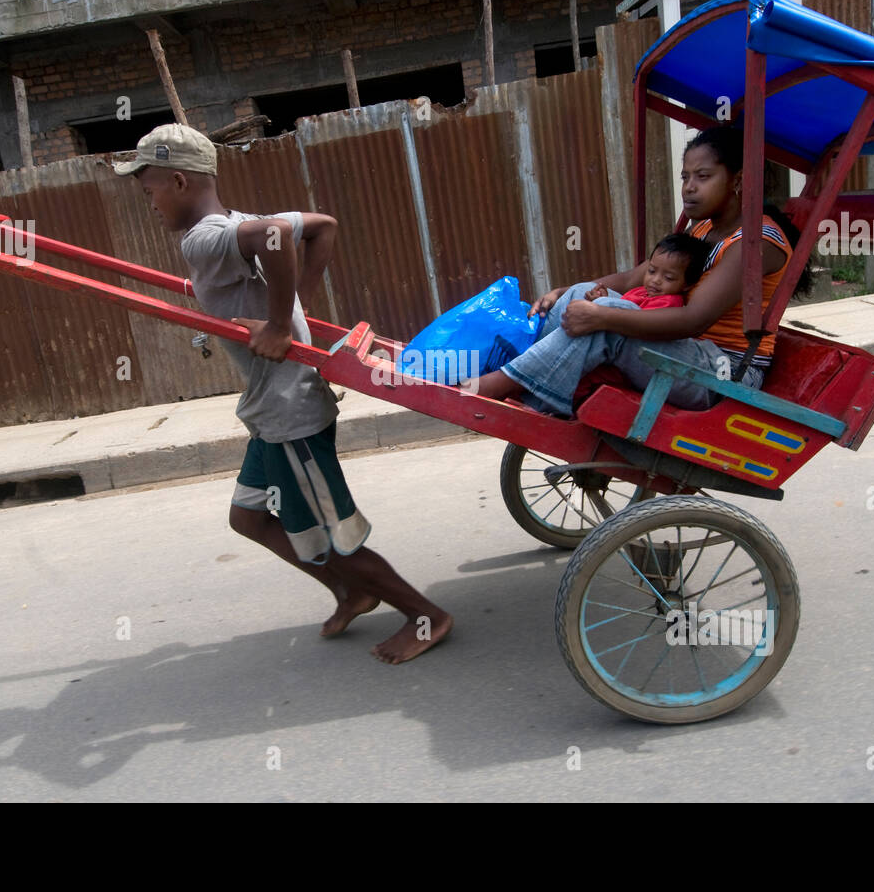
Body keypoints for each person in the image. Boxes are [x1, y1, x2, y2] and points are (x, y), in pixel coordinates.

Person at [116, 123, 451, 664]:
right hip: (269, 411)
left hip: (288, 412)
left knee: (334, 535)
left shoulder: (203, 237)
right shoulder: (238, 219)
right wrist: (291, 305)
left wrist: (279, 321)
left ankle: (426, 616)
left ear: (178, 181)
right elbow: (324, 226)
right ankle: (352, 591)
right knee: (248, 518)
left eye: (149, 188)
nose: (148, 201)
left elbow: (279, 238)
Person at [474, 126, 810, 413]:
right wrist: (566, 292)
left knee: (604, 315)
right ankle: (523, 377)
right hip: (691, 353)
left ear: (738, 180)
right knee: (584, 295)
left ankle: (506, 384)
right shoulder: (703, 230)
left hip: (726, 372)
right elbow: (632, 279)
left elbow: (693, 319)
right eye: (685, 177)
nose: (689, 187)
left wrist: (602, 316)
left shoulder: (757, 242)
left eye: (703, 177)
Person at [581, 233, 710, 309]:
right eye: (652, 271)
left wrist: (604, 304)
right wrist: (604, 299)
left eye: (669, 278)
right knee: (580, 290)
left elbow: (631, 320)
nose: (655, 280)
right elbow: (622, 305)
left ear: (687, 285)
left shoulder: (669, 303)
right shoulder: (641, 291)